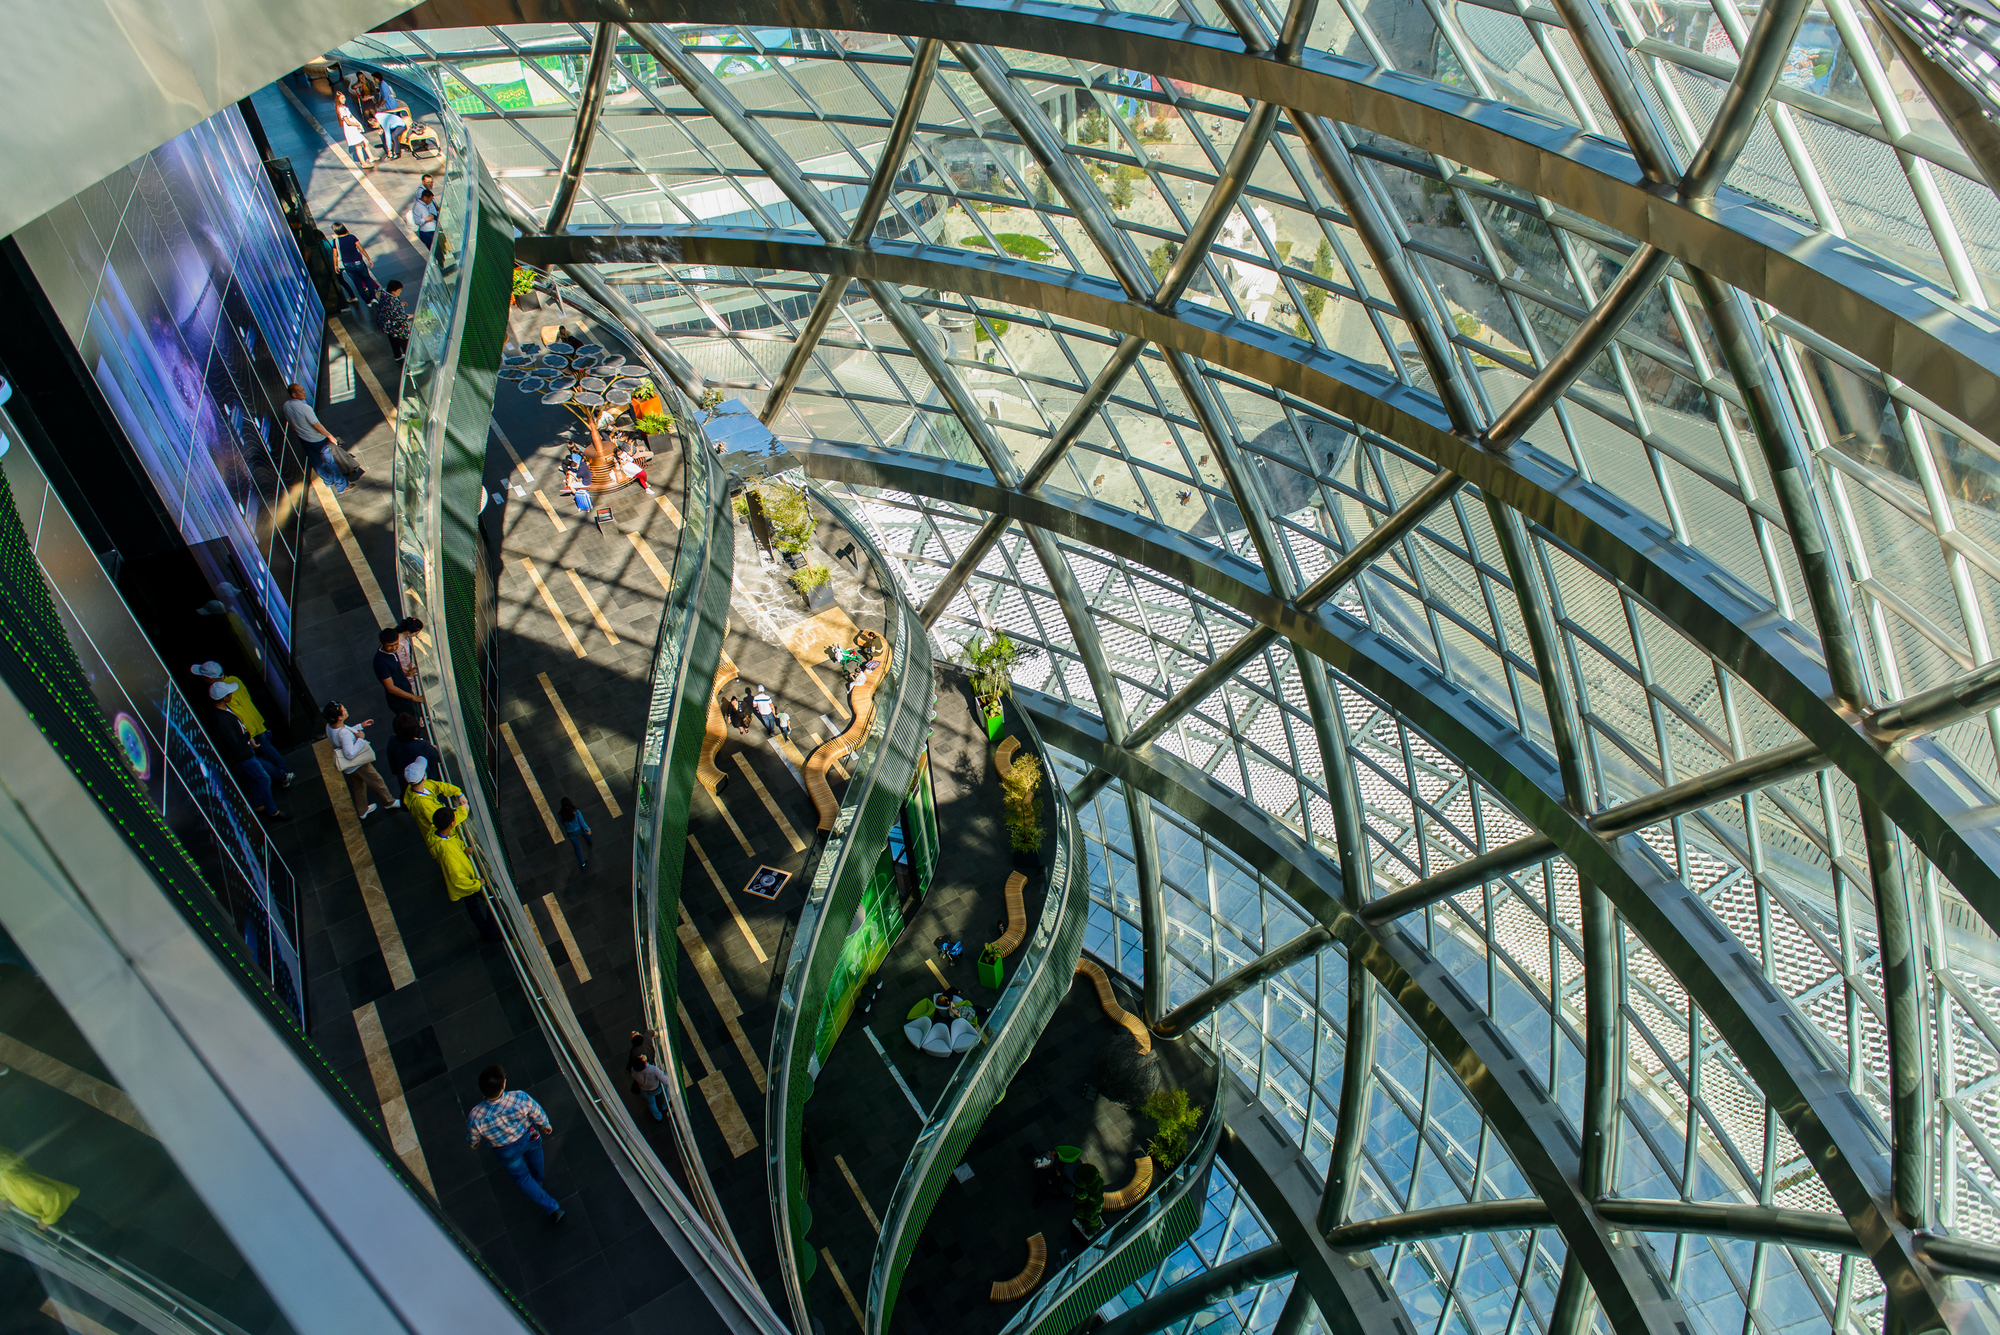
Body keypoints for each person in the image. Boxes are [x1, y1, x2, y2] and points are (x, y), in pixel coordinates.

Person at [465, 1065, 564, 1221]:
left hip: (505, 1151)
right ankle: (538, 1182)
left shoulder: (475, 1115)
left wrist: (474, 1143)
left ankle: (552, 1208)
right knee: (536, 1157)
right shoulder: (519, 1097)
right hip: (529, 1136)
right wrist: (545, 1124)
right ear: (503, 1085)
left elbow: (473, 1137)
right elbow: (536, 1111)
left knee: (522, 1177)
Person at [190, 662, 290, 779]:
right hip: (255, 719)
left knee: (253, 757)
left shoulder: (222, 694)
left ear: (210, 678)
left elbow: (233, 714)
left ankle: (282, 774)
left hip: (246, 728)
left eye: (203, 677)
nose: (203, 680)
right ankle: (284, 770)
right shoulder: (234, 679)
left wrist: (246, 733)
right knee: (266, 747)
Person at [208, 689, 287, 821]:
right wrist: (247, 735)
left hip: (245, 753)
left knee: (255, 776)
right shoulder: (223, 719)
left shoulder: (222, 712)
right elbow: (235, 743)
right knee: (264, 779)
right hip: (243, 754)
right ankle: (273, 811)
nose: (231, 695)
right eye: (228, 694)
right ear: (224, 697)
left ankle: (258, 804)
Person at [427, 807, 502, 940]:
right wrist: (477, 884)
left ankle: (486, 930)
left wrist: (463, 848)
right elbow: (456, 878)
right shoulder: (447, 851)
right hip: (467, 882)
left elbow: (453, 842)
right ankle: (491, 931)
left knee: (472, 905)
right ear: (452, 824)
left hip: (465, 881)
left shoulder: (436, 836)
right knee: (494, 898)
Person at [324, 702, 398, 819]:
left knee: (358, 786)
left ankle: (362, 810)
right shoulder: (344, 734)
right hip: (358, 765)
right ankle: (389, 802)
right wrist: (361, 739)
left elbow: (345, 732)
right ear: (340, 717)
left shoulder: (330, 726)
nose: (346, 709)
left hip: (349, 768)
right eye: (344, 709)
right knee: (377, 782)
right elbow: (350, 754)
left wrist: (360, 726)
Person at [280, 384, 347, 493]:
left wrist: (300, 432)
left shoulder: (286, 406)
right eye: (301, 391)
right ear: (294, 395)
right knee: (331, 462)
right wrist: (330, 437)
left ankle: (328, 481)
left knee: (316, 463)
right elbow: (317, 425)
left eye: (303, 390)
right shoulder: (305, 408)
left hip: (304, 440)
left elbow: (290, 422)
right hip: (318, 440)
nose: (304, 392)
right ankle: (341, 486)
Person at [402, 756, 465, 830]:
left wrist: (458, 793)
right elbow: (444, 823)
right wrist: (463, 811)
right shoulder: (424, 805)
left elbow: (439, 786)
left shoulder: (416, 786)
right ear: (424, 778)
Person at [374, 626, 424, 718]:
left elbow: (395, 668)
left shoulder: (391, 652)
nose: (394, 648)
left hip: (406, 693)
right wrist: (414, 697)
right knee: (411, 719)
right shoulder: (381, 662)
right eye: (390, 646)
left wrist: (407, 673)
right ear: (381, 643)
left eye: (396, 644)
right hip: (399, 701)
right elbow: (390, 688)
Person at [385, 713, 443, 786]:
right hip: (426, 781)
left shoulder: (392, 741)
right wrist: (434, 748)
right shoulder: (423, 746)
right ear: (415, 729)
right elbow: (436, 758)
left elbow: (392, 762)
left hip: (405, 780)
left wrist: (396, 773)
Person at [332, 224, 379, 303]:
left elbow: (335, 255)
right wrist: (368, 258)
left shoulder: (336, 241)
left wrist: (336, 265)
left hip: (347, 265)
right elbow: (361, 249)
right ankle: (373, 298)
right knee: (367, 279)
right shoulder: (352, 237)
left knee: (358, 284)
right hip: (358, 262)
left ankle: (367, 302)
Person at [373, 280, 411, 361]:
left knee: (393, 339)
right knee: (404, 341)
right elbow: (398, 316)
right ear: (393, 291)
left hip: (387, 324)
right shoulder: (391, 301)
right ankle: (411, 361)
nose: (400, 292)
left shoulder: (385, 294)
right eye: (398, 291)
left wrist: (399, 304)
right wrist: (411, 315)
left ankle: (398, 355)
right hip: (395, 325)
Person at [335, 93, 374, 167]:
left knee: (365, 142)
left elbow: (351, 116)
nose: (344, 99)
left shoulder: (344, 107)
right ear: (338, 99)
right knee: (358, 146)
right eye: (342, 98)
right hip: (351, 129)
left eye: (344, 97)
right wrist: (356, 124)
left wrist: (358, 123)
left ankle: (371, 157)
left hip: (354, 127)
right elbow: (348, 122)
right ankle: (363, 163)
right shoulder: (341, 109)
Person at [628, 1052, 669, 1122]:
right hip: (656, 1089)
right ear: (645, 1064)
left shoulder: (633, 1070)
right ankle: (664, 1106)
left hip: (644, 1090)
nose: (641, 1055)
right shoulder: (654, 1070)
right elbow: (665, 1081)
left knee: (651, 1103)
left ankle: (658, 1117)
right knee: (665, 1090)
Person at [557, 796, 593, 869]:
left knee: (577, 848)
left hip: (570, 832)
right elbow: (582, 822)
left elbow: (562, 823)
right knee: (586, 835)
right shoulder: (576, 812)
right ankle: (590, 841)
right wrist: (588, 829)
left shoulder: (560, 814)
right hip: (579, 829)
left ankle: (582, 864)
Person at [375, 82, 408, 160]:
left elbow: (388, 135)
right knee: (383, 135)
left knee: (393, 135)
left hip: (400, 125)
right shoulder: (377, 116)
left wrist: (389, 149)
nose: (377, 127)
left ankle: (397, 152)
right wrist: (381, 128)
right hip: (392, 125)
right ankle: (388, 152)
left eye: (376, 126)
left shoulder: (384, 122)